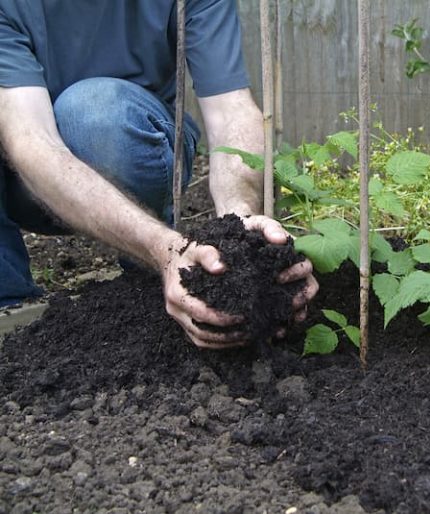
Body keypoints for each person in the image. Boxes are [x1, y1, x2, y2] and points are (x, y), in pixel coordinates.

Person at [0, 0, 318, 349]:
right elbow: (31, 142)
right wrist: (163, 247)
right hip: (25, 184)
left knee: (95, 113)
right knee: (82, 111)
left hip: (134, 145)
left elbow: (231, 110)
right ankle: (12, 310)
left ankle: (150, 273)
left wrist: (237, 225)